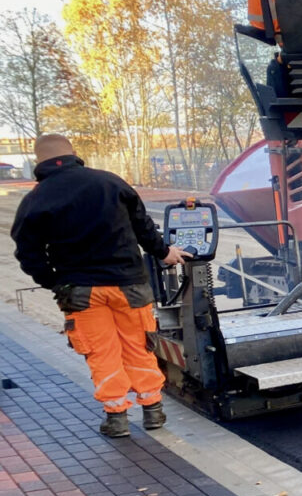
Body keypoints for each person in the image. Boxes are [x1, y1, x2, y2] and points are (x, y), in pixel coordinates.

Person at [10, 135, 191, 437]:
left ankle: (117, 418)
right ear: (74, 155)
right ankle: (153, 411)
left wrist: (55, 282)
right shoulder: (109, 182)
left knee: (101, 353)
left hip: (80, 291)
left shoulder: (36, 199)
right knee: (138, 346)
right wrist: (164, 252)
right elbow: (142, 225)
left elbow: (27, 253)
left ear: (37, 163)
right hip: (129, 286)